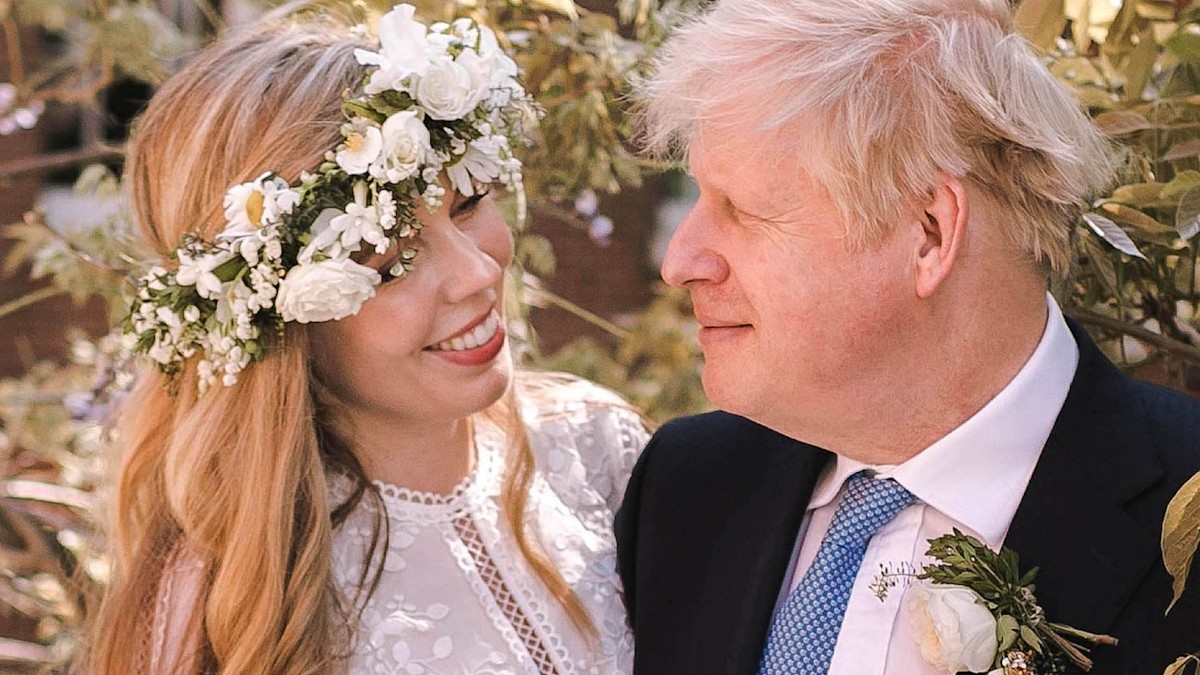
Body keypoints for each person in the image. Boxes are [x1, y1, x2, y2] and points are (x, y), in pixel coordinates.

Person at [614, 0, 1200, 674]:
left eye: (739, 210)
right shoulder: (687, 487)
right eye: (694, 200)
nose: (680, 261)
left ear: (928, 233)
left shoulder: (1186, 521)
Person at [84, 6, 647, 674]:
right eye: (390, 261)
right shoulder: (224, 605)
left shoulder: (599, 450)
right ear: (279, 316)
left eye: (468, 200)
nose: (477, 272)